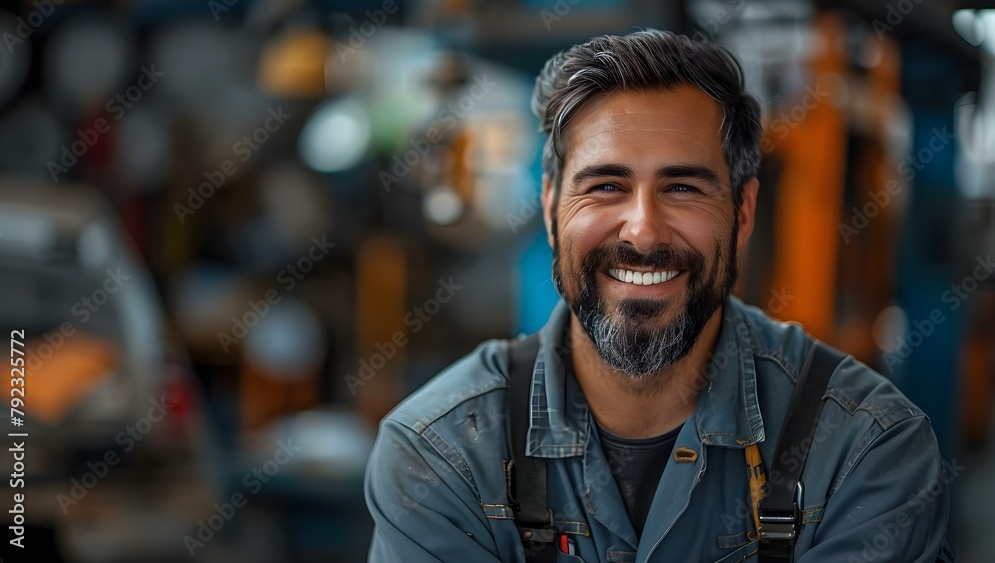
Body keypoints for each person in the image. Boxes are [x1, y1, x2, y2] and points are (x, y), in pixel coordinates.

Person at [364, 29, 954, 562]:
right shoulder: (441, 455)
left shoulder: (865, 451)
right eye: (606, 185)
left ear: (742, 212)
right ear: (549, 207)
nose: (643, 231)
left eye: (682, 187)